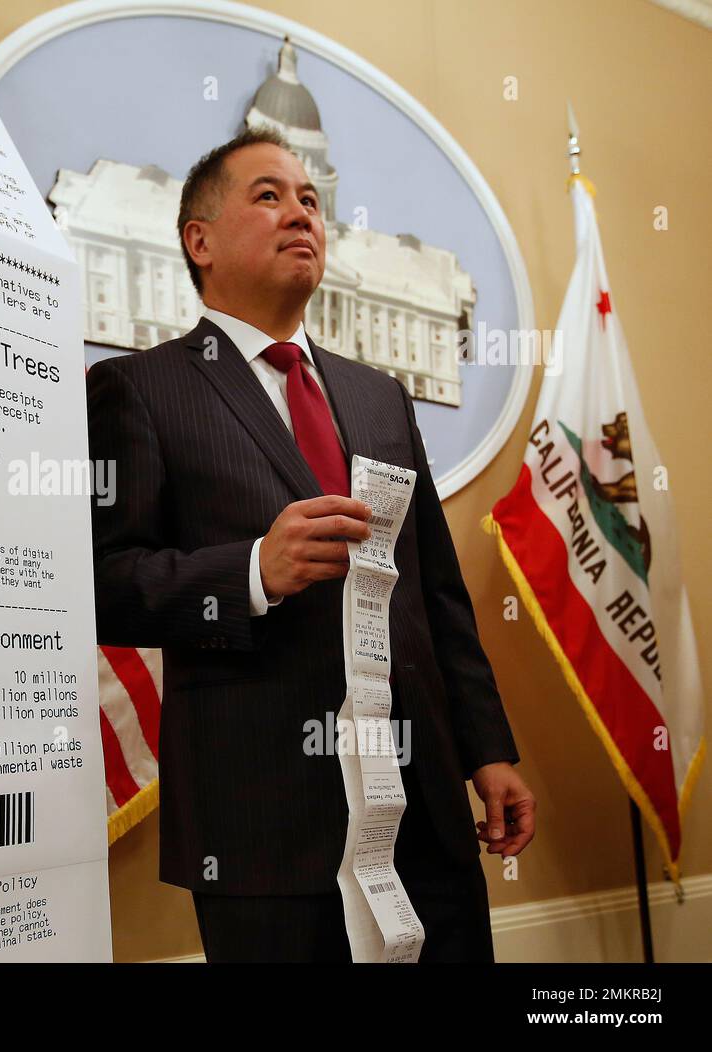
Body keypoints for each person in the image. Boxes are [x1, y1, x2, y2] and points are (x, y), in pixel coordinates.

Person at [86, 128, 536, 962]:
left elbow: (434, 590)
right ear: (200, 241)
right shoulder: (138, 390)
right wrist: (254, 571)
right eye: (268, 195)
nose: (300, 212)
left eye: (310, 200)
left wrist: (487, 749)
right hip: (264, 825)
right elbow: (107, 583)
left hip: (424, 810)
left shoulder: (379, 399)